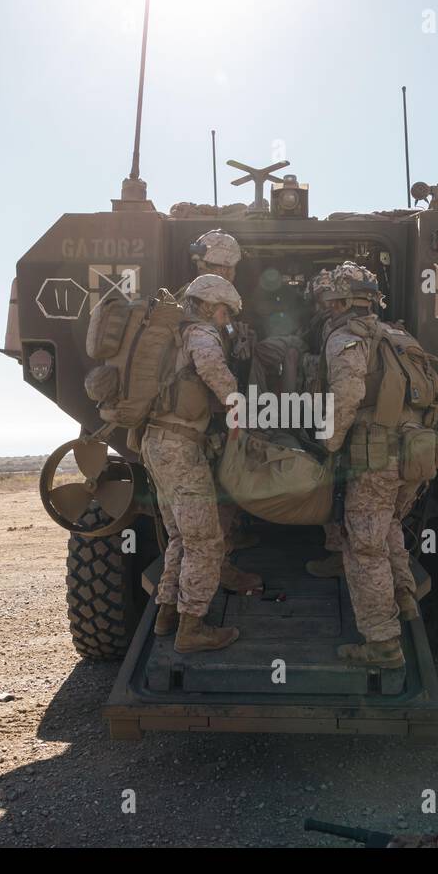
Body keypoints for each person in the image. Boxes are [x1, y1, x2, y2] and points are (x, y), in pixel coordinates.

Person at [312, 263, 434, 666]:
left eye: (330, 301)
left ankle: (382, 643)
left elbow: (346, 398)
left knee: (363, 546)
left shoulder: (345, 338)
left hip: (376, 455)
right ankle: (405, 597)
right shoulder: (399, 336)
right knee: (389, 528)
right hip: (415, 452)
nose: (326, 308)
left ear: (343, 301)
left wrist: (328, 445)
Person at [145, 274, 243, 652]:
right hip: (181, 447)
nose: (225, 320)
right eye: (225, 312)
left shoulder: (170, 335)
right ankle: (193, 628)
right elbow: (215, 372)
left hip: (155, 443)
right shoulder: (200, 335)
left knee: (181, 537)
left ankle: (166, 615)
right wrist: (240, 407)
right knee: (205, 541)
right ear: (211, 305)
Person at [175, 229, 263, 588]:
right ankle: (219, 565)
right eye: (217, 267)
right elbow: (210, 365)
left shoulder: (203, 303)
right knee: (211, 496)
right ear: (200, 264)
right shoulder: (195, 307)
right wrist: (237, 405)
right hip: (197, 418)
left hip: (208, 415)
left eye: (229, 269)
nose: (225, 274)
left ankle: (227, 541)